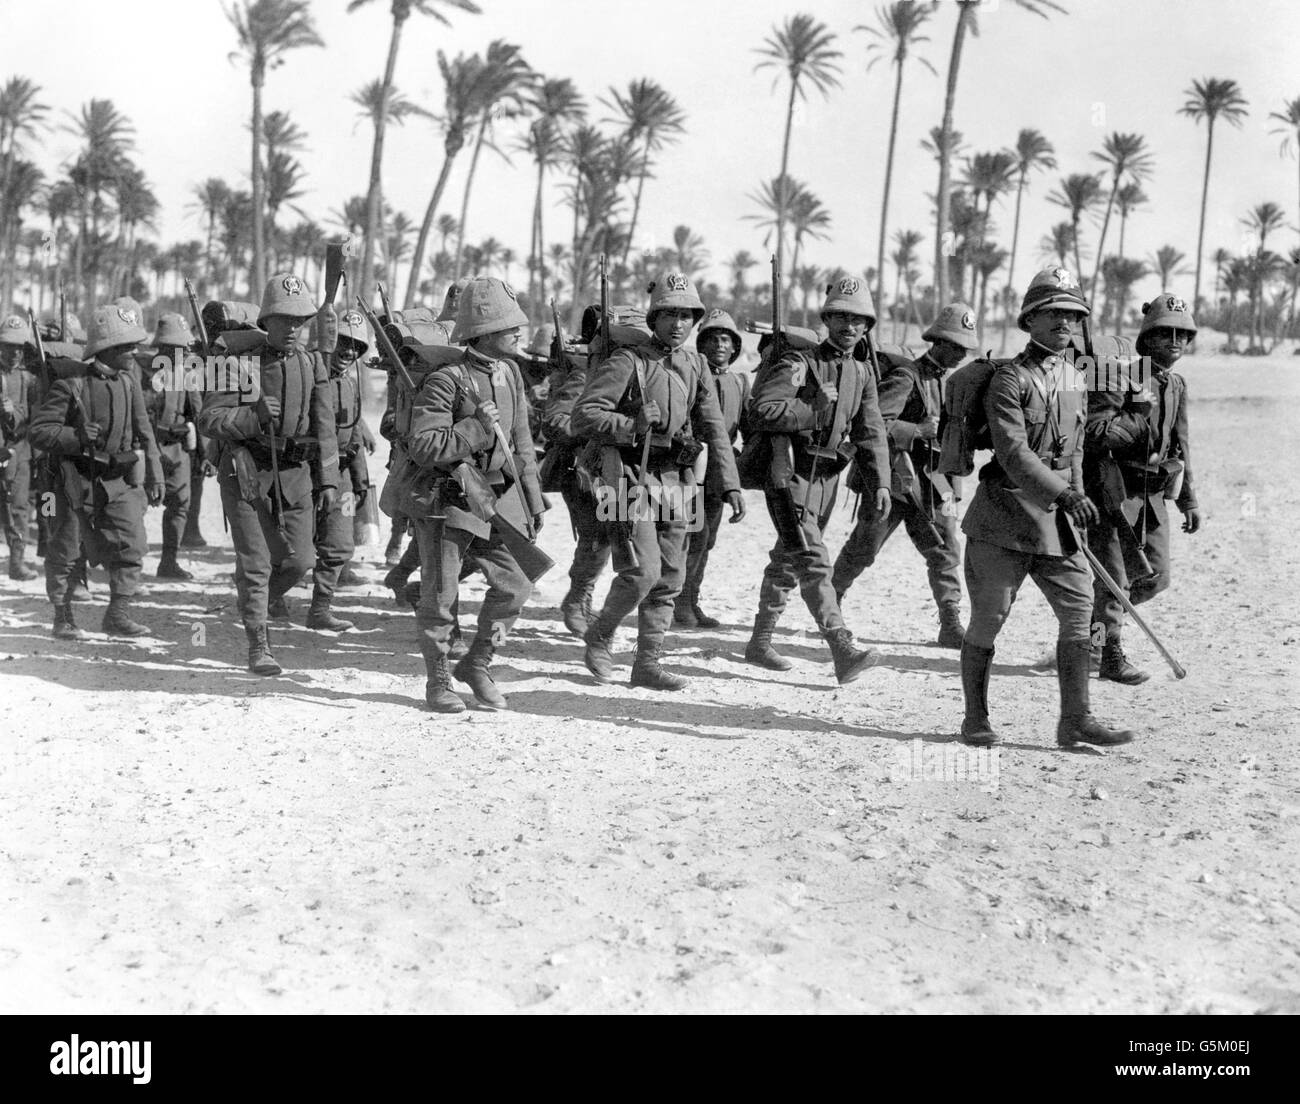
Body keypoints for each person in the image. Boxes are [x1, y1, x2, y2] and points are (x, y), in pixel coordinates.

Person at [958, 267, 1133, 749]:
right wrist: (1066, 494)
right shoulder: (1008, 380)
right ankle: (975, 719)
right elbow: (1014, 454)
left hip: (1059, 524)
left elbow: (1073, 453)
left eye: (1073, 315)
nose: (1064, 322)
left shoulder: (1075, 378)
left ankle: (1075, 720)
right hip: (1003, 521)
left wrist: (1075, 503)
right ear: (1029, 320)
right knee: (989, 619)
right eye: (1052, 312)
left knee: (1080, 616)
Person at [573, 273, 744, 689]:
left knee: (671, 577)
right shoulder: (627, 361)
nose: (678, 323)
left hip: (676, 480)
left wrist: (731, 484)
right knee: (641, 572)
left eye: (686, 315)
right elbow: (583, 415)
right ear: (654, 318)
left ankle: (646, 662)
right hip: (627, 477)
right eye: (669, 314)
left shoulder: (695, 364)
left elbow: (714, 429)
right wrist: (629, 423)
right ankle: (600, 633)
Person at [397, 277, 545, 713]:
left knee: (515, 589)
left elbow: (521, 445)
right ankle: (439, 680)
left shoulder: (510, 372)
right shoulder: (446, 380)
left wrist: (533, 503)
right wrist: (476, 428)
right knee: (440, 599)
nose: (519, 331)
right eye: (509, 326)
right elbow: (424, 446)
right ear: (483, 333)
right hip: (447, 501)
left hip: (495, 502)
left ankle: (478, 661)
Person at [741, 276, 890, 684]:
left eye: (858, 320)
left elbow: (871, 430)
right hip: (788, 474)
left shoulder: (862, 373)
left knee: (789, 557)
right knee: (812, 558)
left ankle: (760, 640)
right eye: (840, 316)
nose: (849, 326)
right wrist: (810, 407)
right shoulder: (798, 363)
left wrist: (880, 482)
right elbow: (762, 411)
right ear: (826, 319)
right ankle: (840, 645)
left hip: (826, 479)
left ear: (866, 328)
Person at [197, 273, 340, 675]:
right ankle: (258, 642)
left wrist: (328, 479)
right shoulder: (237, 362)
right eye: (284, 320)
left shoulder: (312, 364)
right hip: (246, 471)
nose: (293, 329)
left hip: (295, 473)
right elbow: (209, 418)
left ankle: (252, 600)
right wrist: (251, 417)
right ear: (267, 321)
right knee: (256, 562)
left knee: (300, 560)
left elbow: (324, 425)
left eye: (300, 321)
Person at [831, 302, 976, 648]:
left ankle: (950, 620)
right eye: (954, 346)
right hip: (894, 481)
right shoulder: (906, 377)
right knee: (865, 547)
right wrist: (917, 430)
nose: (959, 354)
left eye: (963, 348)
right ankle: (830, 603)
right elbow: (873, 424)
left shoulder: (954, 383)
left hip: (935, 483)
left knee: (944, 550)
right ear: (937, 341)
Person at [1084, 293, 1201, 684]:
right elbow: (1097, 435)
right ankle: (1109, 653)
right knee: (1114, 579)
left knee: (1157, 577)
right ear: (1146, 338)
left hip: (1153, 496)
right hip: (1115, 492)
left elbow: (1181, 445)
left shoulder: (1178, 385)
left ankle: (1094, 632)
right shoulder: (1120, 376)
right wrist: (1137, 413)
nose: (1175, 341)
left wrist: (1189, 501)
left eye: (1183, 335)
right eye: (1164, 333)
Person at [29, 303, 163, 639]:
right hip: (73, 480)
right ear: (108, 349)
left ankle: (117, 615)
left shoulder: (129, 383)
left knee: (132, 544)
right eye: (127, 347)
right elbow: (40, 431)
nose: (134, 352)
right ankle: (63, 616)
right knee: (66, 549)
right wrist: (75, 436)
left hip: (118, 479)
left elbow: (144, 432)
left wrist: (155, 473)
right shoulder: (70, 384)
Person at [674, 308, 750, 630]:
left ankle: (691, 599)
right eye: (712, 339)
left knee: (707, 540)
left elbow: (749, 426)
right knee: (690, 536)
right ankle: (678, 604)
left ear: (734, 348)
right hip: (689, 466)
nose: (719, 345)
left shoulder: (739, 383)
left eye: (725, 340)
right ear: (700, 344)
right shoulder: (688, 373)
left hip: (721, 469)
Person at [541, 321, 611, 637]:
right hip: (579, 471)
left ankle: (581, 600)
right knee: (595, 538)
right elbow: (555, 421)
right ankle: (576, 601)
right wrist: (592, 430)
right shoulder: (584, 376)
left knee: (607, 539)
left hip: (612, 472)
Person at [306, 309, 373, 630]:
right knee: (295, 547)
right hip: (305, 471)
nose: (349, 351)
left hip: (342, 474)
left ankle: (320, 608)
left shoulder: (349, 384)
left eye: (356, 347)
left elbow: (355, 433)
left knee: (340, 544)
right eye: (343, 342)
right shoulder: (306, 377)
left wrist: (360, 480)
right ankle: (272, 600)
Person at [142, 313, 204, 580]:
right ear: (162, 348)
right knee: (136, 506)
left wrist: (204, 454)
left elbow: (198, 416)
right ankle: (122, 563)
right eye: (177, 348)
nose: (183, 352)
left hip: (178, 451)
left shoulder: (187, 376)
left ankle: (168, 561)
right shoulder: (143, 376)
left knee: (180, 505)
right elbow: (139, 418)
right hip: (149, 452)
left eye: (185, 348)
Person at [0, 314, 39, 580]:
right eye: (8, 346)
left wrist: (13, 413)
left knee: (19, 509)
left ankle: (16, 562)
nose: (14, 352)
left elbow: (33, 414)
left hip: (18, 452)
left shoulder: (27, 379)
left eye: (18, 347)